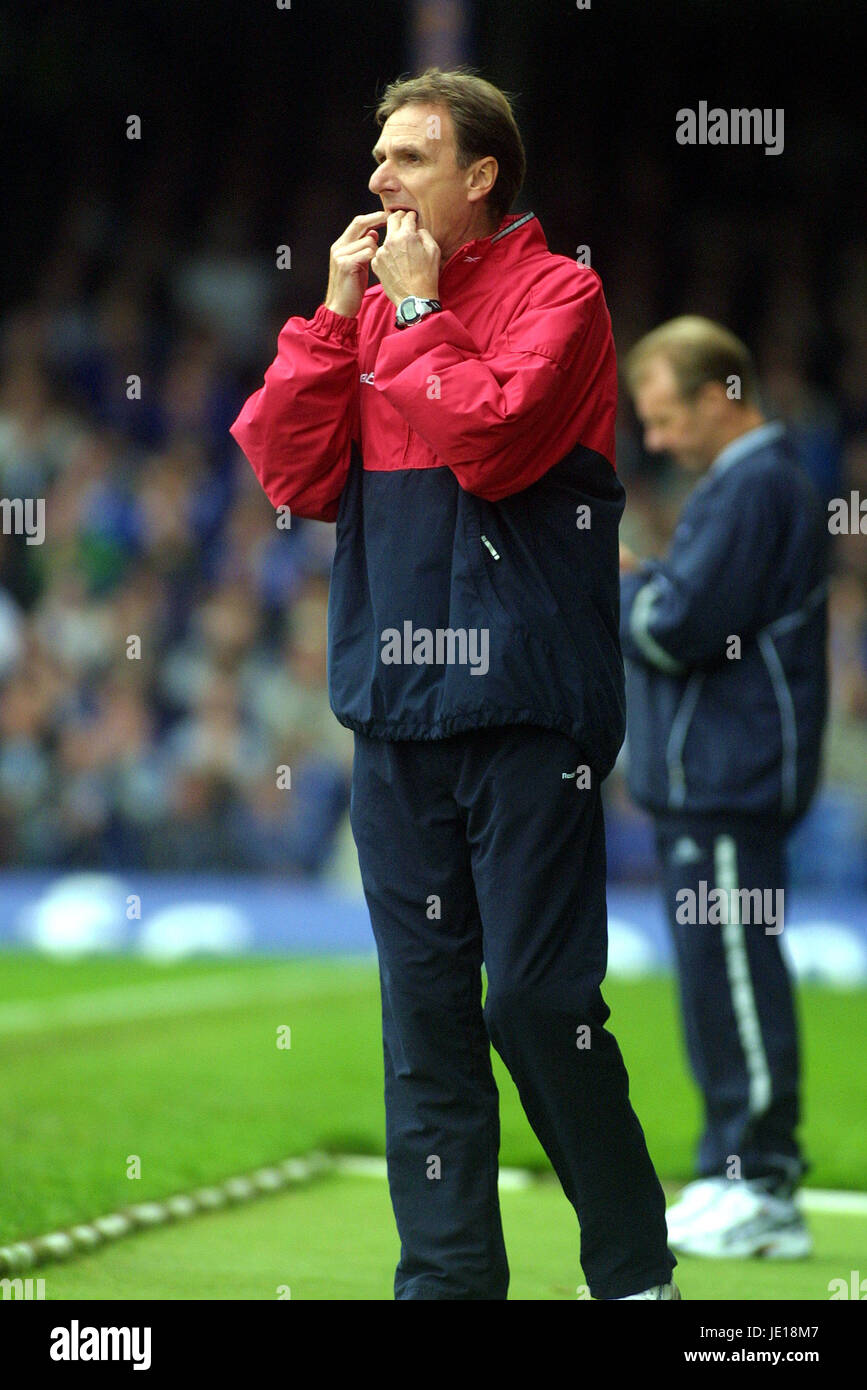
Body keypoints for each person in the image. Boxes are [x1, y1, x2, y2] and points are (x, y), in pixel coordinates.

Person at [231, 67, 677, 1301]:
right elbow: (288, 473)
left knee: (536, 1005)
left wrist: (420, 317)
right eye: (377, 158)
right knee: (423, 1022)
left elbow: (490, 442)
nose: (378, 181)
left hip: (530, 709)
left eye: (409, 159)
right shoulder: (365, 313)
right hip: (395, 711)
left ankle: (632, 1269)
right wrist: (330, 319)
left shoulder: (562, 294)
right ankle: (446, 1285)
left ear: (480, 178)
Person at [619, 316, 828, 1258]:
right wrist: (650, 587)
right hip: (711, 783)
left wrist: (624, 585)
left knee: (735, 975)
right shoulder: (747, 487)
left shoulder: (754, 487)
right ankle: (728, 1172)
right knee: (716, 975)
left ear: (719, 398)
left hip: (730, 781)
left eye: (665, 419)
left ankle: (763, 1185)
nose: (655, 441)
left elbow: (677, 626)